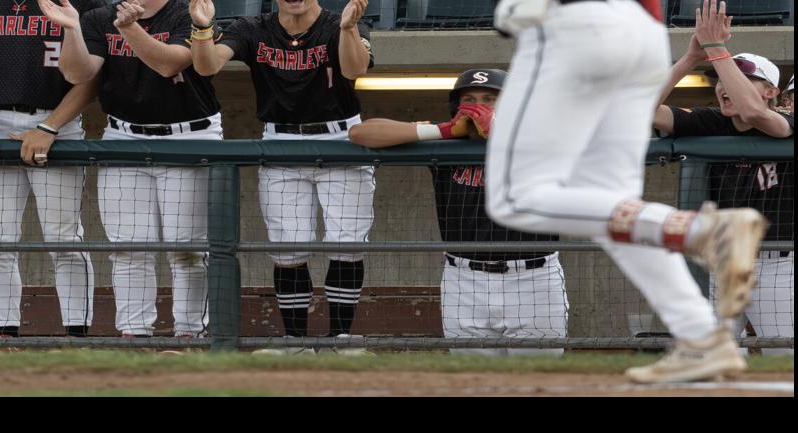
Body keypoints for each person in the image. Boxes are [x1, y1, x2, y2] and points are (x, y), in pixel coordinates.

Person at [487, 0, 767, 383]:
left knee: (514, 199)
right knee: (619, 216)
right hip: (643, 35)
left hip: (575, 21)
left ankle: (702, 231)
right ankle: (700, 336)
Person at [188, 0, 374, 355]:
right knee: (288, 247)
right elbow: (206, 66)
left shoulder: (341, 22)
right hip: (280, 138)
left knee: (347, 243)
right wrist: (201, 29)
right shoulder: (252, 27)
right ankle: (295, 341)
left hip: (340, 136)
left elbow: (355, 70)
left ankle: (340, 339)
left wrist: (349, 29)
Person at [350, 69, 569, 357]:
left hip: (533, 277)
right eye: (471, 99)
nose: (479, 106)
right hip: (464, 279)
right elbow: (359, 133)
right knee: (473, 380)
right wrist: (441, 131)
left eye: (490, 99)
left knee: (536, 379)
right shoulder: (444, 141)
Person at [39, 0, 221, 339]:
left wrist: (129, 29)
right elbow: (78, 74)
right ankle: (134, 333)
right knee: (129, 247)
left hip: (188, 133)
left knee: (188, 249)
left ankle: (189, 333)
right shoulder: (98, 17)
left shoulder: (189, 11)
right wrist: (71, 28)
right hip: (124, 134)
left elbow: (170, 64)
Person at [0, 0, 100, 341]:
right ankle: (4, 334)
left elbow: (92, 78)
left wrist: (50, 127)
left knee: (63, 236)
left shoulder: (83, 3)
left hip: (58, 121)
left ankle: (78, 334)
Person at [651, 18, 793, 357]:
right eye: (721, 79)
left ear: (772, 91)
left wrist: (718, 50)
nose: (724, 85)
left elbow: (755, 113)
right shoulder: (712, 121)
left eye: (744, 78)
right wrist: (689, 60)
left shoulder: (785, 121)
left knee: (783, 361)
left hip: (777, 265)